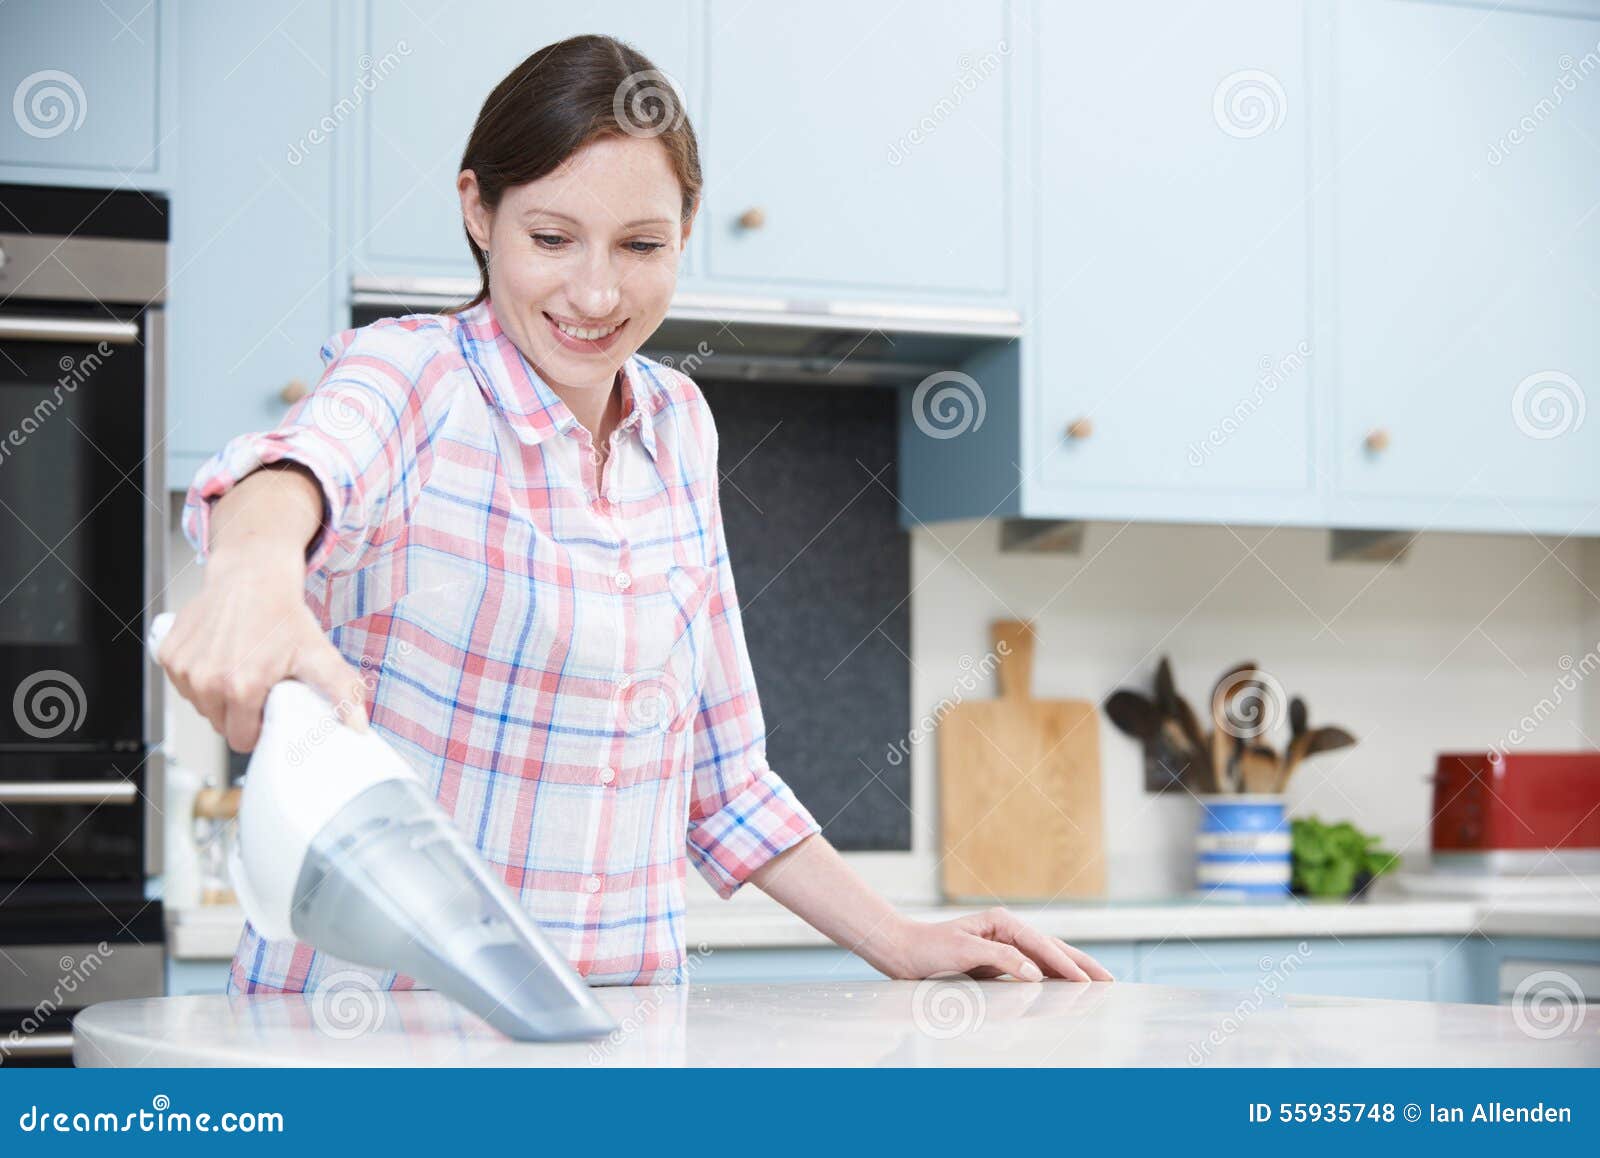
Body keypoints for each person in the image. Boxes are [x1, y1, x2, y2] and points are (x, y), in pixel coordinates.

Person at [158, 33, 1113, 993]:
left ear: (685, 233)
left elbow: (724, 779)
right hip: (375, 1039)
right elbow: (290, 470)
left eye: (641, 245)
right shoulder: (416, 376)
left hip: (615, 1034)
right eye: (551, 238)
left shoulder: (678, 425)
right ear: (477, 210)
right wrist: (253, 571)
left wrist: (901, 942)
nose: (597, 292)